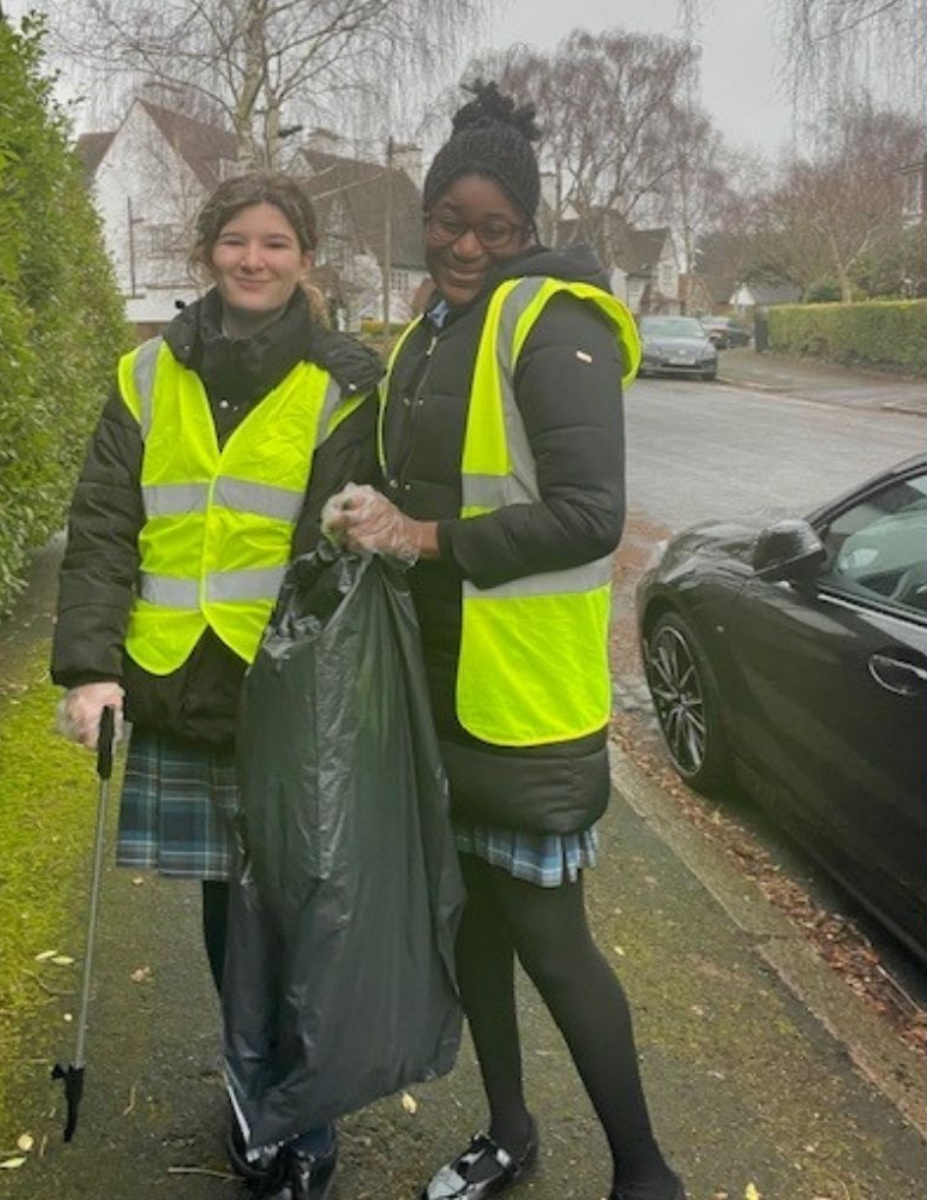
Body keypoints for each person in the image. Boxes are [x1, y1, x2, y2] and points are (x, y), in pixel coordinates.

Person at [324, 81, 686, 1200]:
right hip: (432, 687)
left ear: (527, 232)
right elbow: (418, 473)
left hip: (524, 700)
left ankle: (645, 1173)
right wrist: (359, 507)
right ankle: (509, 1132)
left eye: (495, 228)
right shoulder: (430, 329)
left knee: (553, 944)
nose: (467, 244)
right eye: (449, 221)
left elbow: (590, 513)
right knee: (468, 930)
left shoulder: (554, 320)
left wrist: (421, 534)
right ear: (421, 215)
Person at [50, 170, 383, 1199]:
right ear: (206, 254)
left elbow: (353, 548)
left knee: (299, 903)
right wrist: (90, 669)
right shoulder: (147, 375)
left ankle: (306, 1104)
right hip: (174, 681)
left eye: (276, 242)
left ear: (306, 257)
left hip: (288, 694)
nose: (254, 259)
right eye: (236, 241)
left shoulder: (345, 382)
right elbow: (105, 524)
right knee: (222, 905)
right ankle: (250, 1090)